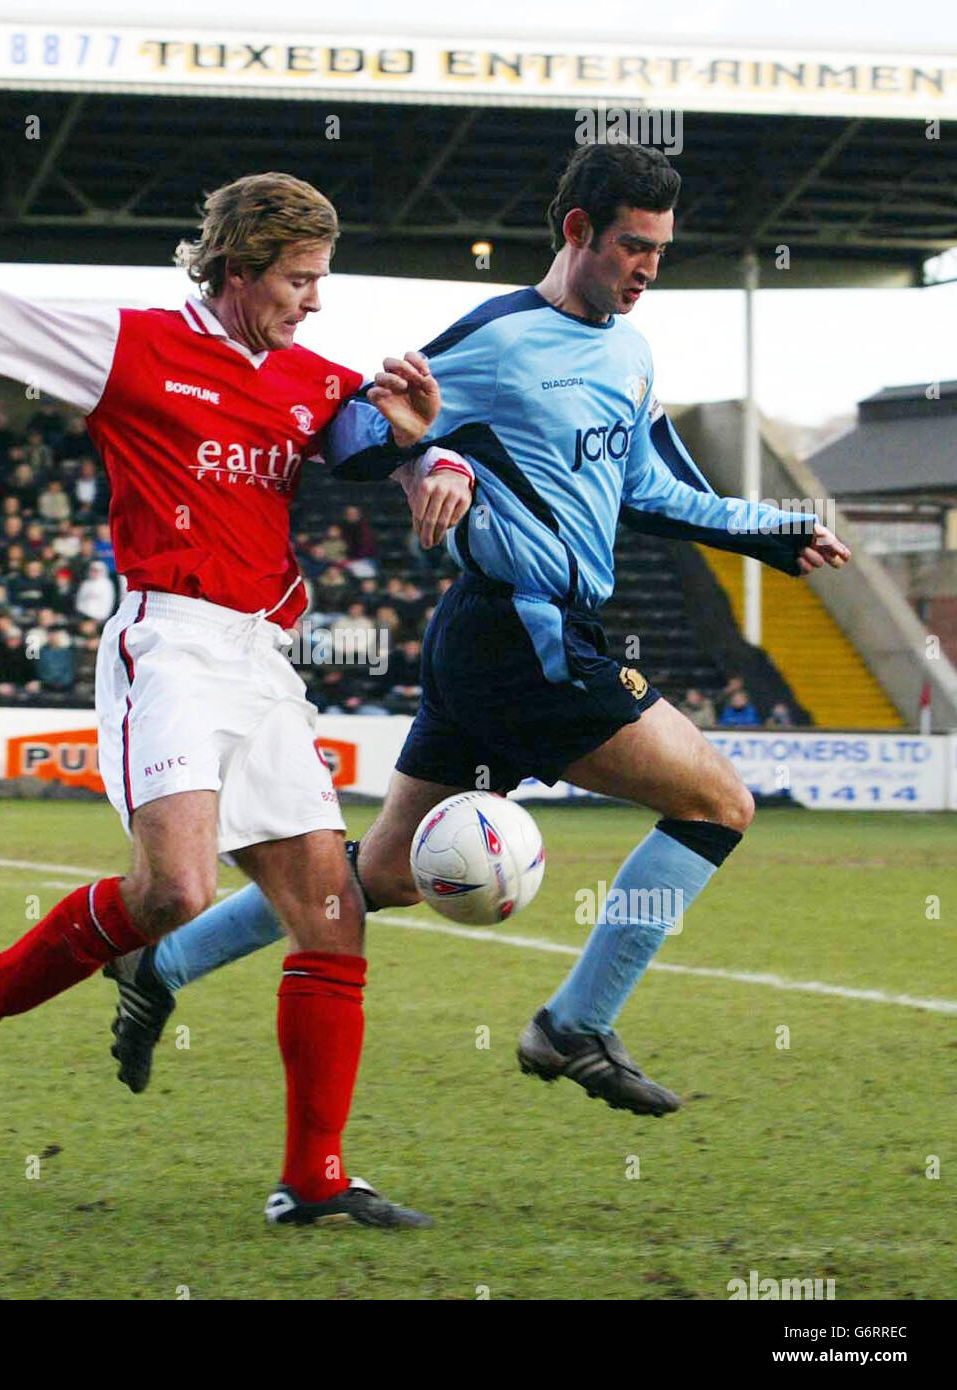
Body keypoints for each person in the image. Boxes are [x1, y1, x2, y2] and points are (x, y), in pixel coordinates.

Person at [0, 170, 470, 1229]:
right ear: (235, 270)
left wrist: (428, 453)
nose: (315, 301)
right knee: (172, 891)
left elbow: (376, 439)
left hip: (262, 663)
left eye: (321, 279)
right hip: (165, 643)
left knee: (328, 913)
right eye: (298, 279)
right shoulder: (133, 345)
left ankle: (312, 1176)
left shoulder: (313, 378)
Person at [100, 142, 852, 1121]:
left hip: (496, 642)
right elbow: (358, 430)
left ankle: (161, 965)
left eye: (660, 252)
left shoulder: (628, 352)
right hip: (523, 639)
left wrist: (772, 531)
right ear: (576, 230)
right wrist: (434, 456)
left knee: (377, 875)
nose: (646, 270)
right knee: (716, 804)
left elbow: (654, 493)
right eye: (632, 246)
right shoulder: (498, 339)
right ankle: (574, 1023)